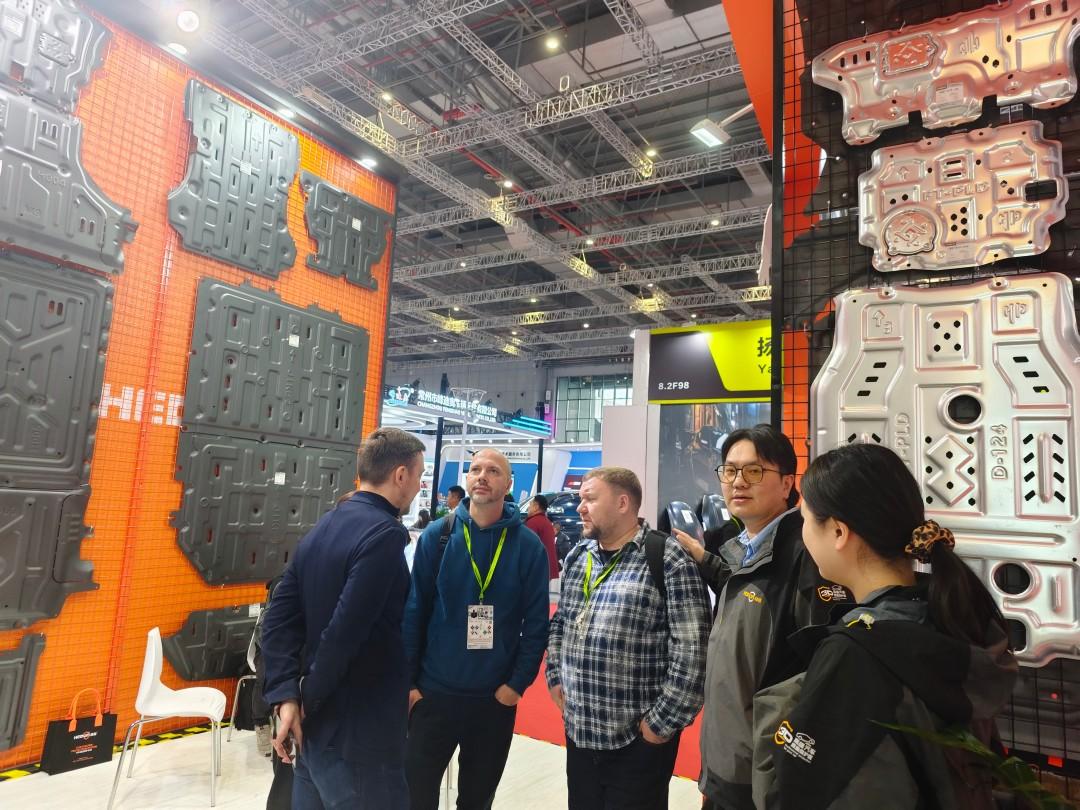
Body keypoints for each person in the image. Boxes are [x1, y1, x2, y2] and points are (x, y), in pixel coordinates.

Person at [751, 443, 1017, 808]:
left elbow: (792, 793)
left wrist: (782, 705)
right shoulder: (949, 613)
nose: (802, 534)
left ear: (839, 533)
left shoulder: (857, 655)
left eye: (806, 520)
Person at [672, 424, 852, 810]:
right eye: (729, 470)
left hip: (764, 779)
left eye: (754, 471)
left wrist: (776, 770)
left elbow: (825, 677)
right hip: (728, 765)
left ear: (787, 483)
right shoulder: (745, 549)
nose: (738, 481)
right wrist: (706, 560)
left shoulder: (808, 556)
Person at [261, 427, 425, 809]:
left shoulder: (323, 526)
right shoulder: (384, 535)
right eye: (419, 476)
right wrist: (306, 700)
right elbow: (344, 633)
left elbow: (279, 618)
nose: (419, 486)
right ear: (400, 475)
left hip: (315, 732)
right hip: (360, 736)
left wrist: (287, 694)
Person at [546, 467, 709, 810]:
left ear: (623, 503)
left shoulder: (667, 559)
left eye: (590, 499)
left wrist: (659, 727)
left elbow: (693, 653)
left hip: (636, 743)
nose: (580, 507)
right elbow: (561, 622)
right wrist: (555, 676)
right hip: (579, 733)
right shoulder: (579, 556)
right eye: (580, 499)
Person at [403, 448, 550, 810]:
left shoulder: (528, 546)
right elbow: (414, 610)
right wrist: (409, 683)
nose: (482, 476)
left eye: (493, 471)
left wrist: (516, 685)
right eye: (475, 469)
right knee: (414, 796)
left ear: (509, 483)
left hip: (493, 700)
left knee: (477, 799)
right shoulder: (438, 536)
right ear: (467, 479)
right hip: (434, 693)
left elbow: (537, 623)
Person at [524, 494, 559, 580]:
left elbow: (528, 549)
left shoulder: (533, 523)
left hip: (537, 570)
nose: (528, 508)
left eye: (530, 505)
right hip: (547, 568)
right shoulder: (547, 522)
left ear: (536, 507)